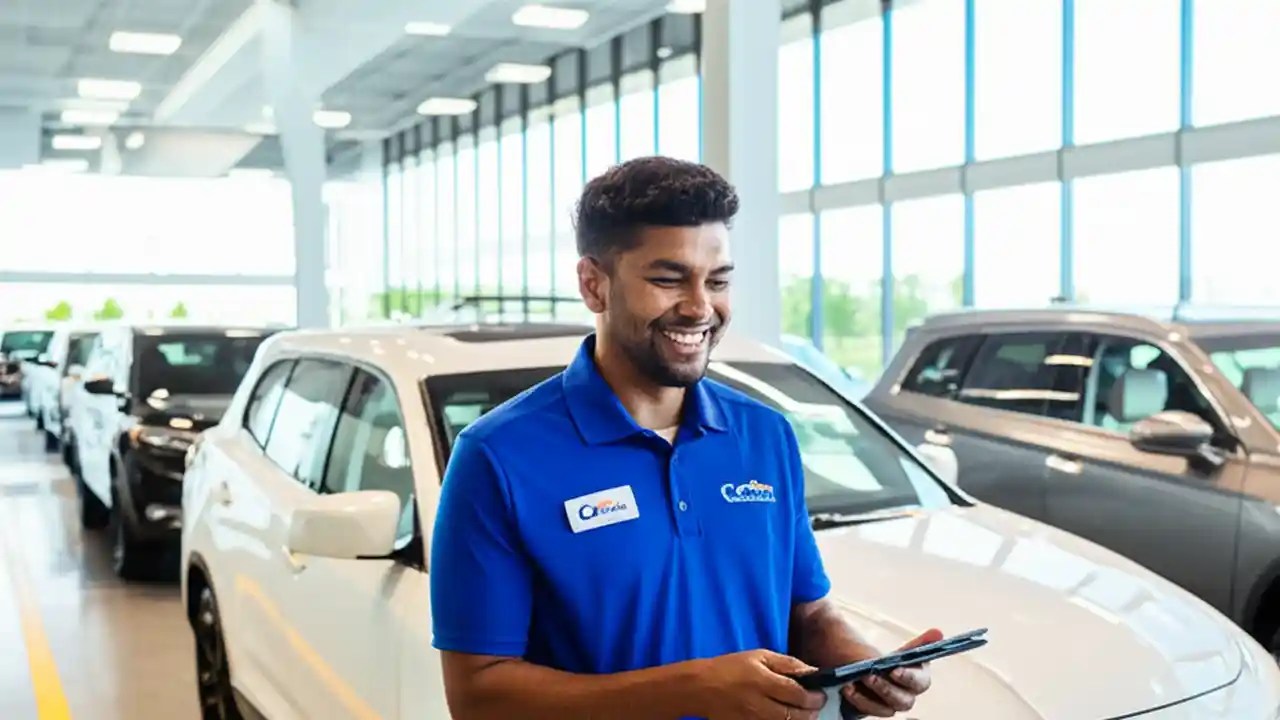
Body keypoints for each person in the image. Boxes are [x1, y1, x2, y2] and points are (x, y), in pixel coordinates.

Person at [429, 156, 941, 720]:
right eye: (668, 279)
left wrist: (863, 667)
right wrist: (691, 689)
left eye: (718, 281)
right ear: (593, 284)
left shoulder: (764, 436)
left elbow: (808, 615)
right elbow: (478, 694)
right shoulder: (498, 456)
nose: (700, 308)